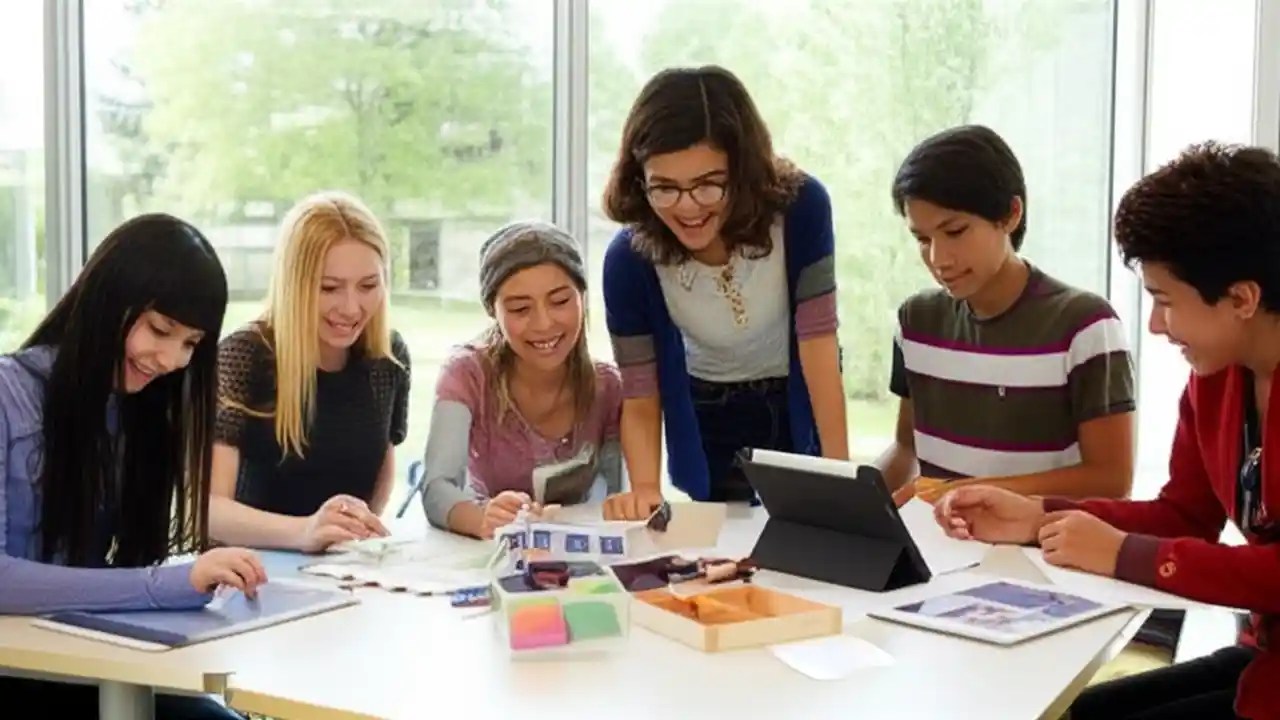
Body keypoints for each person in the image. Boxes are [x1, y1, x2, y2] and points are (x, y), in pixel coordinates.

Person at [934, 141, 1280, 720]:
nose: (1155, 324)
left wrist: (1126, 555)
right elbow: (1183, 516)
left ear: (1242, 298)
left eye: (1165, 301)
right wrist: (1039, 517)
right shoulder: (1216, 379)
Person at [0, 214, 264, 719]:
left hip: (88, 667)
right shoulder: (7, 396)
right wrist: (168, 585)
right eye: (160, 330)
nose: (169, 359)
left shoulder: (137, 411)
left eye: (190, 344)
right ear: (106, 302)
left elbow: (105, 572)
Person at [600, 65, 847, 519]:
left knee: (810, 527)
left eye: (708, 184)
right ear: (640, 180)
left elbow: (819, 344)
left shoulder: (803, 209)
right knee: (723, 545)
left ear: (744, 168)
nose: (688, 207)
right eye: (665, 188)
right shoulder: (628, 259)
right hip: (707, 408)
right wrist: (647, 490)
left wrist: (840, 473)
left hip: (793, 395)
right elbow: (640, 393)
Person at [880, 124, 1135, 506]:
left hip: (1039, 554)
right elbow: (905, 450)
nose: (938, 259)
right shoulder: (916, 322)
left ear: (1011, 214)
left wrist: (969, 493)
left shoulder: (1085, 326)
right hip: (940, 551)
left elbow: (1111, 479)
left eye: (955, 231)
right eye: (922, 239)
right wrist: (846, 509)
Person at [209, 191, 409, 552]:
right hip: (251, 572)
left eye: (368, 286)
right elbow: (210, 512)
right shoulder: (244, 356)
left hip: (344, 571)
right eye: (329, 288)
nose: (351, 308)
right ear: (294, 285)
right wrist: (305, 532)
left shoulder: (388, 359)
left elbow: (380, 477)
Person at [421, 220, 623, 539]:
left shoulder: (607, 387)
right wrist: (482, 518)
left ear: (582, 298)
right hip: (489, 553)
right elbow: (436, 488)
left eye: (559, 302)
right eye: (519, 309)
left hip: (578, 554)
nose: (543, 323)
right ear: (493, 310)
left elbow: (618, 494)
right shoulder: (467, 374)